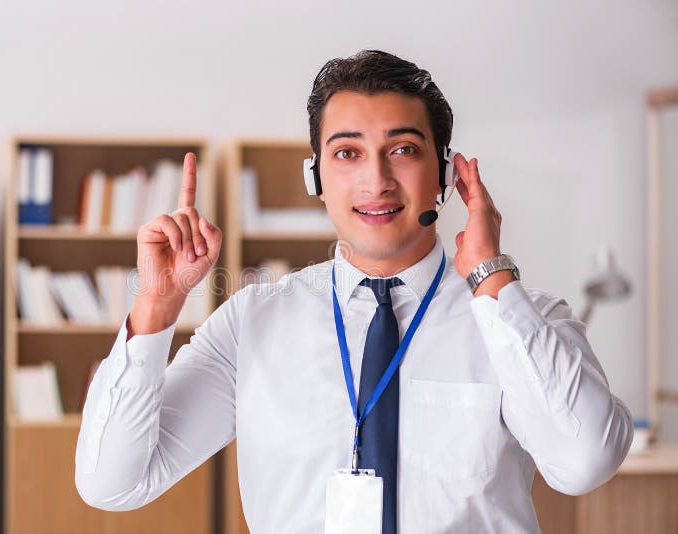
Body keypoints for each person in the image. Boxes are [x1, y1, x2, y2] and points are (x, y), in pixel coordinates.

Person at [75, 50, 633, 533]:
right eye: (347, 153)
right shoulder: (253, 323)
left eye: (403, 149)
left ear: (444, 174)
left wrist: (491, 276)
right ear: (315, 177)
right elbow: (112, 484)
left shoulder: (520, 318)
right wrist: (155, 308)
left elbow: (584, 461)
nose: (376, 181)